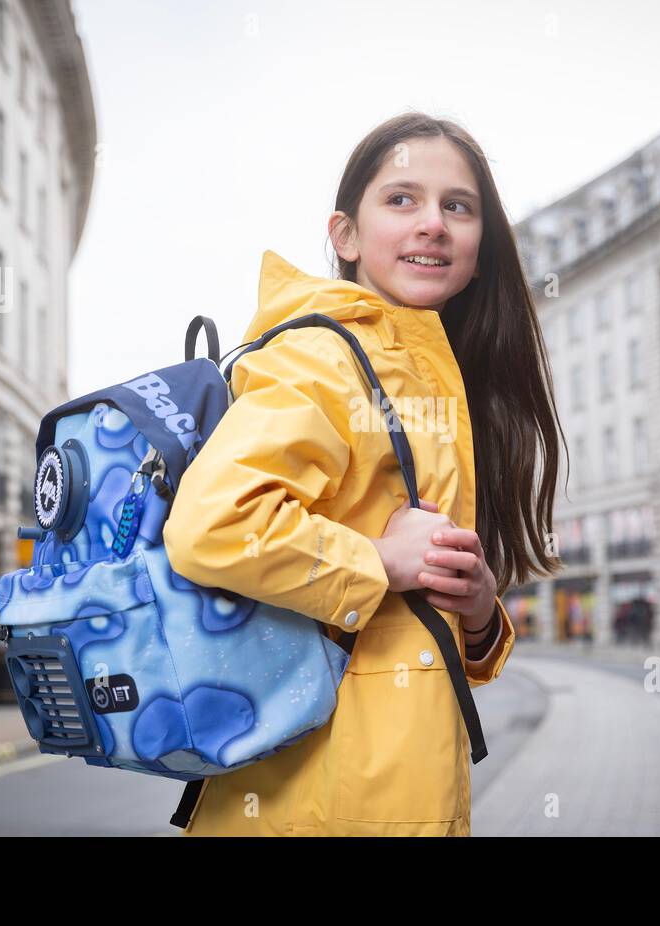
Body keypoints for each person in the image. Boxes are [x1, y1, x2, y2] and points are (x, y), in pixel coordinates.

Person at [163, 113, 565, 836]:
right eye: (402, 200)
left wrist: (476, 610)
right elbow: (210, 527)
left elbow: (407, 623)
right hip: (314, 801)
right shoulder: (325, 357)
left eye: (458, 206)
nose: (434, 224)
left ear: (480, 249)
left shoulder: (425, 375)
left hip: (384, 789)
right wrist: (379, 559)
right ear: (345, 237)